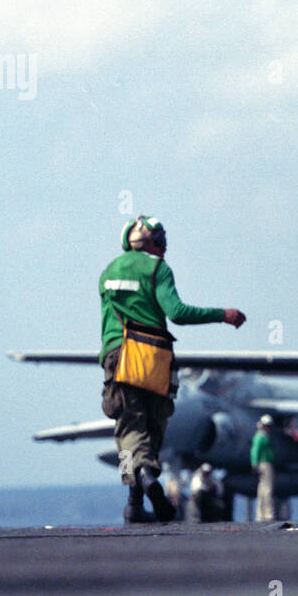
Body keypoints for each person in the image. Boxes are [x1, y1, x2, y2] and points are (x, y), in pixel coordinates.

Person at [100, 215, 246, 523]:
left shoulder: (107, 273)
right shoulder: (158, 269)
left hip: (119, 354)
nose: (164, 246)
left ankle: (140, 483)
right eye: (160, 240)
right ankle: (136, 504)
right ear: (148, 241)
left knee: (128, 430)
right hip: (155, 357)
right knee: (152, 430)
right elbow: (177, 313)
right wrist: (223, 314)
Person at [251, 415, 276, 521]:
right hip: (265, 464)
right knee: (267, 489)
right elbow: (255, 450)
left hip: (263, 464)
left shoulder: (263, 436)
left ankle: (261, 515)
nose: (268, 428)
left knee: (262, 489)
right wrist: (255, 463)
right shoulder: (261, 437)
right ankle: (268, 515)